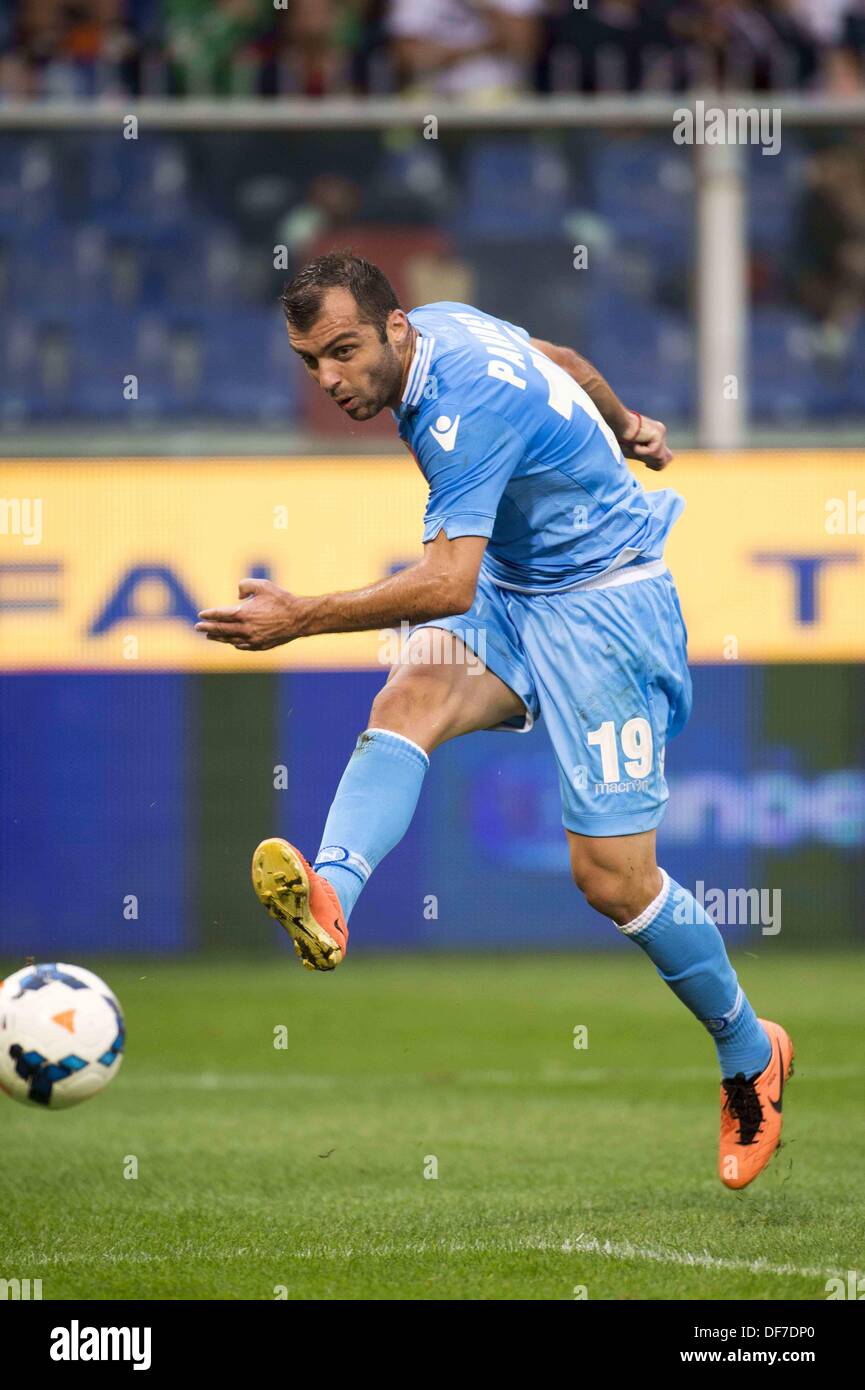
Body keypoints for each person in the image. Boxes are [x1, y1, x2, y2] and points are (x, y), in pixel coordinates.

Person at [196, 250, 794, 1191]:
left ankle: (745, 1050)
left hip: (605, 608)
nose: (330, 378)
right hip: (520, 595)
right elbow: (557, 356)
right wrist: (627, 422)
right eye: (310, 360)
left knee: (611, 879)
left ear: (394, 330)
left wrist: (299, 617)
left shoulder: (453, 407)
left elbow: (444, 582)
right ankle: (331, 898)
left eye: (343, 351)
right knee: (407, 697)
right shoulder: (448, 323)